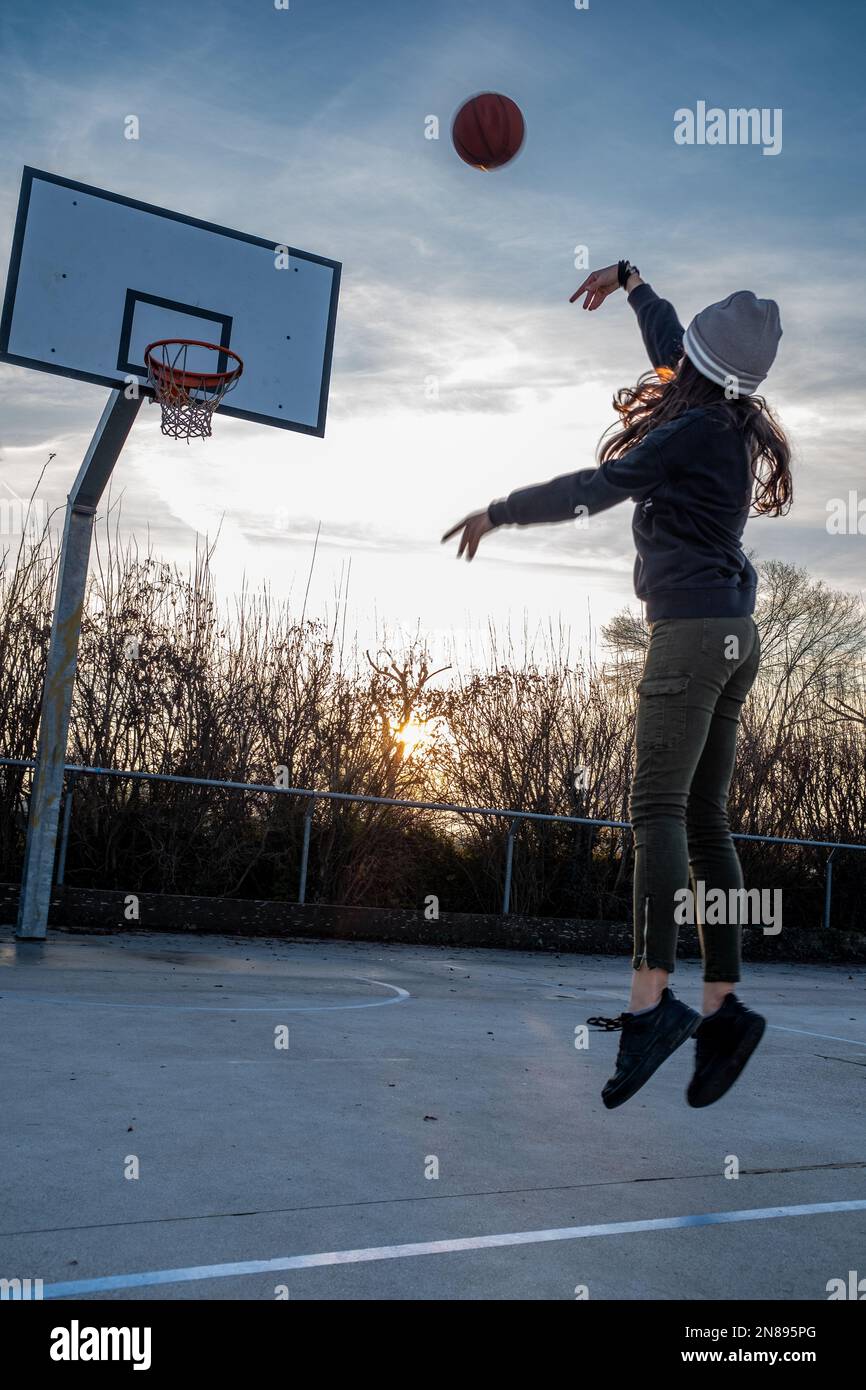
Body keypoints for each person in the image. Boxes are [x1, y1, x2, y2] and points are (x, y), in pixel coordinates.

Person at [442, 260, 791, 1109]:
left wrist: (501, 508)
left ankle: (651, 1003)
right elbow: (673, 347)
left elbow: (595, 489)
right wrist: (634, 285)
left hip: (693, 634)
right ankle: (724, 1005)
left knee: (658, 813)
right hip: (737, 633)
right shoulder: (731, 419)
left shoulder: (688, 434)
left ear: (706, 363)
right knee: (707, 821)